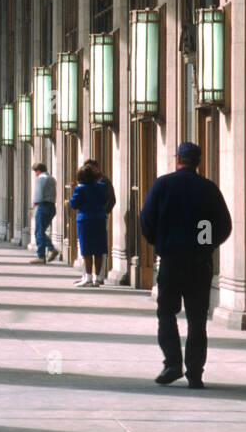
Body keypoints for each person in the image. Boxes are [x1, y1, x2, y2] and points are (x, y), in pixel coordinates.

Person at [139, 142, 232, 389]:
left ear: (177, 158)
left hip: (171, 260)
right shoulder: (209, 188)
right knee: (197, 319)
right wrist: (205, 244)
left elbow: (146, 219)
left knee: (166, 313)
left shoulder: (163, 185)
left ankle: (172, 363)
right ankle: (194, 372)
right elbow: (223, 225)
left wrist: (160, 241)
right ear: (198, 161)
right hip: (199, 263)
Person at [69, 164, 109, 287]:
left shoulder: (80, 189)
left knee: (86, 250)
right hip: (99, 219)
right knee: (99, 249)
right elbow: (104, 200)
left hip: (85, 219)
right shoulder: (101, 187)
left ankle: (88, 278)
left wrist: (73, 191)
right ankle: (98, 278)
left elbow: (73, 204)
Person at [85, 158, 116, 286]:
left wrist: (102, 212)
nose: (89, 171)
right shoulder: (87, 182)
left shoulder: (104, 181)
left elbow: (111, 200)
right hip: (89, 217)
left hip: (101, 216)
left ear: (97, 168)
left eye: (91, 169)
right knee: (87, 246)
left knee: (100, 246)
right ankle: (87, 276)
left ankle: (100, 275)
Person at [29, 162, 58, 263]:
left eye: (35, 172)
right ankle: (50, 249)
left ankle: (42, 255)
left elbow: (39, 193)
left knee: (38, 231)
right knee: (40, 231)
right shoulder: (51, 178)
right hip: (51, 206)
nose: (35, 174)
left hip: (43, 206)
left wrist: (34, 205)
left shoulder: (41, 178)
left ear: (38, 170)